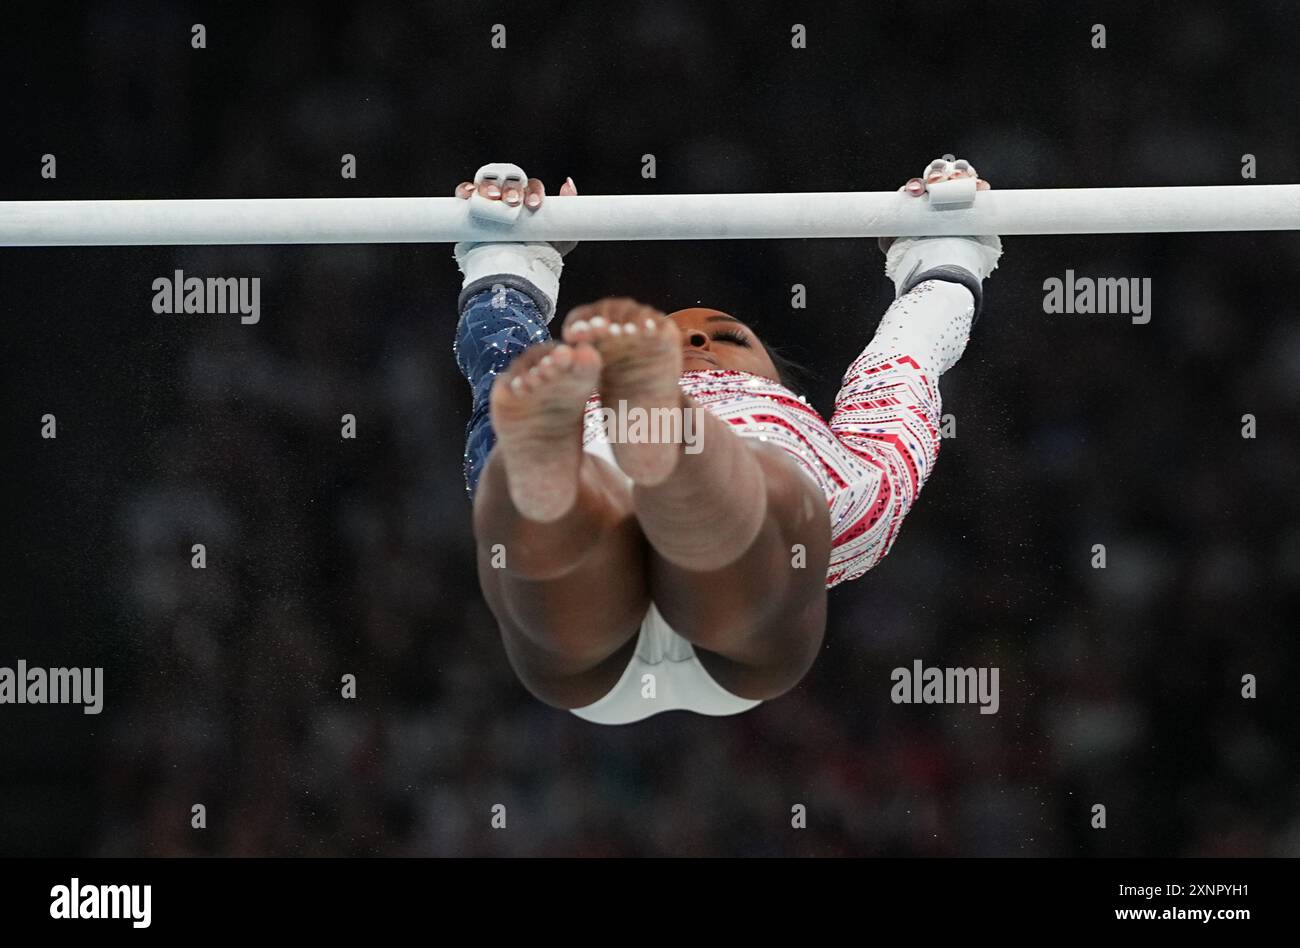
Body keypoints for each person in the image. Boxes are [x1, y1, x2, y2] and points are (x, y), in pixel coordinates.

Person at [451, 157, 1002, 725]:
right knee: (778, 490)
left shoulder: (583, 410)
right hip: (675, 601)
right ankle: (661, 461)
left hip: (718, 613)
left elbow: (498, 348)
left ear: (782, 388)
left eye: (727, 337)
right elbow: (910, 353)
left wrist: (507, 259)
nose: (692, 335)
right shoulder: (837, 465)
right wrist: (944, 255)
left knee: (515, 455)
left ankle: (657, 460)